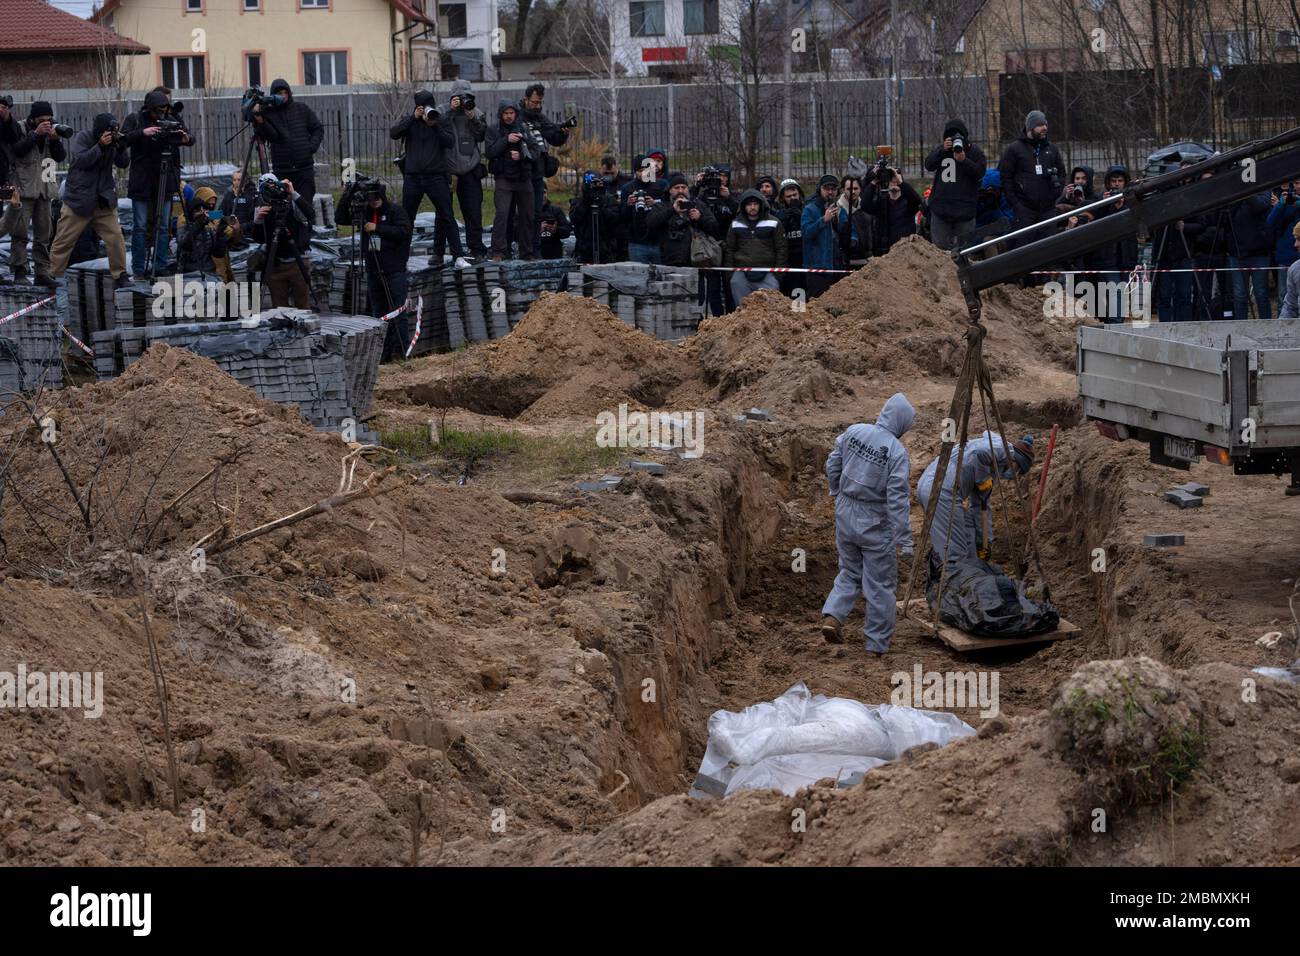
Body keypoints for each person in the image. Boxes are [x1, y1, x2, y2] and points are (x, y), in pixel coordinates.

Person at [820, 393, 916, 656]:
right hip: (873, 520)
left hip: (845, 510)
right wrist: (904, 541)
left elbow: (833, 462)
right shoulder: (896, 453)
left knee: (850, 570)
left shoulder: (855, 430)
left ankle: (833, 616)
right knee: (880, 583)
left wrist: (835, 490)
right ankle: (876, 644)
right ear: (902, 424)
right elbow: (897, 501)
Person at [916, 432, 1033, 571]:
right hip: (942, 489)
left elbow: (981, 505)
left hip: (932, 483)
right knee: (955, 549)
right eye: (1018, 471)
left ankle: (972, 567)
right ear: (1015, 461)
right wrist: (982, 478)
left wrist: (984, 541)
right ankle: (954, 582)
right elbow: (979, 453)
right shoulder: (1002, 451)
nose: (1014, 476)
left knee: (967, 527)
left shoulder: (993, 463)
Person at [48, 113, 130, 288]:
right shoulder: (84, 137)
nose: (112, 133)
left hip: (103, 199)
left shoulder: (114, 141)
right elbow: (81, 161)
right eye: (109, 130)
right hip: (79, 200)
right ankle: (54, 274)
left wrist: (121, 147)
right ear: (99, 131)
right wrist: (100, 146)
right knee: (64, 239)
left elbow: (123, 164)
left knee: (115, 237)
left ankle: (120, 274)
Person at [391, 90, 470, 267]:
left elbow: (450, 142)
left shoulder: (440, 119)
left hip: (435, 176)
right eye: (422, 106)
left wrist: (434, 124)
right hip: (413, 178)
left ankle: (458, 256)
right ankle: (400, 257)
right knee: (407, 219)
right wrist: (413, 117)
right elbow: (394, 133)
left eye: (428, 105)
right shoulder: (410, 120)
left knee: (447, 216)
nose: (427, 109)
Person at [119, 89, 192, 277]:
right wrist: (143, 133)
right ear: (149, 108)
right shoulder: (135, 119)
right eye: (157, 111)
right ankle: (138, 268)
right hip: (142, 180)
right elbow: (122, 140)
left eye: (164, 110)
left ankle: (159, 265)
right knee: (141, 226)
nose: (161, 114)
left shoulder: (172, 118)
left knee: (163, 226)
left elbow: (189, 138)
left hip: (165, 178)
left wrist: (186, 139)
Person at [5, 101, 67, 286]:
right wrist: (35, 134)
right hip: (23, 188)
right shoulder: (20, 128)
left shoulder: (52, 131)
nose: (47, 123)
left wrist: (55, 139)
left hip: (45, 189)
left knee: (44, 234)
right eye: (42, 120)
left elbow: (60, 157)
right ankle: (20, 271)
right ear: (33, 119)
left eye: (49, 120)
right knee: (20, 232)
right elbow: (16, 150)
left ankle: (42, 271)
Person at [357, 182, 413, 360]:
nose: (374, 202)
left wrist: (378, 229)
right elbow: (340, 217)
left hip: (394, 269)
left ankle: (401, 351)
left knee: (398, 312)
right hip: (373, 270)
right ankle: (382, 353)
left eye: (376, 198)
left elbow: (404, 232)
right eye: (370, 199)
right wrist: (350, 192)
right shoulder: (364, 212)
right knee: (378, 315)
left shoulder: (395, 211)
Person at [998, 110, 1067, 247]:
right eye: (1040, 125)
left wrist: (1055, 194)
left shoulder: (1052, 149)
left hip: (1047, 209)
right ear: (1030, 127)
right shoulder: (1014, 149)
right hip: (1024, 210)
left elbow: (1062, 173)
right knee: (1025, 247)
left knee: (1048, 247)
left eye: (1045, 124)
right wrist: (1016, 203)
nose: (1045, 128)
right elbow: (1005, 177)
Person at [251, 78, 323, 204]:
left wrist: (310, 147)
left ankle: (307, 224)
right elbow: (272, 136)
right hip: (282, 171)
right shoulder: (269, 112)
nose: (283, 96)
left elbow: (317, 128)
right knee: (283, 208)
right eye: (279, 93)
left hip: (304, 169)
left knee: (305, 207)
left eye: (285, 92)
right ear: (273, 95)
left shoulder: (302, 109)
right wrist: (260, 120)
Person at [518, 83, 571, 249]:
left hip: (538, 173)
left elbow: (553, 138)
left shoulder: (540, 118)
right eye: (534, 102)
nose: (537, 106)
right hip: (520, 173)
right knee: (522, 214)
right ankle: (523, 248)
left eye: (540, 103)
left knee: (536, 213)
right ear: (525, 100)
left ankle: (534, 249)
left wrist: (563, 132)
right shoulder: (516, 117)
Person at [250, 173, 315, 309]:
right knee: (279, 309)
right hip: (275, 264)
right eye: (266, 189)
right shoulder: (263, 209)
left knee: (302, 306)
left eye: (274, 187)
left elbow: (310, 214)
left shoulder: (291, 203)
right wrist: (258, 221)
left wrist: (293, 192)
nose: (271, 192)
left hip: (297, 262)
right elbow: (259, 239)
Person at [924, 119, 987, 251]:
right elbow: (929, 165)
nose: (955, 140)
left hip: (965, 210)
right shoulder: (942, 151)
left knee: (964, 251)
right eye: (951, 137)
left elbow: (980, 172)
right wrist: (942, 149)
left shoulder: (975, 152)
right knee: (940, 251)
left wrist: (964, 160)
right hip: (941, 208)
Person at [1089, 165, 1141, 322]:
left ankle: (1117, 322)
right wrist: (1108, 205)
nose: (1116, 184)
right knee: (1114, 291)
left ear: (1125, 182)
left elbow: (1135, 221)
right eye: (1113, 181)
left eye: (1120, 181)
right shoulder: (1099, 200)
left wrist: (1122, 206)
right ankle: (1115, 325)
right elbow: (1099, 224)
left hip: (1126, 257)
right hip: (1107, 258)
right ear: (1108, 182)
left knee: (1123, 293)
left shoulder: (1132, 200)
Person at [444, 79, 488, 259]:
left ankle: (476, 249)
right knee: (444, 215)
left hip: (470, 170)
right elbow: (436, 127)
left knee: (473, 213)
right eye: (459, 98)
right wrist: (450, 110)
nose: (463, 102)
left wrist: (473, 119)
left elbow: (481, 136)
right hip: (449, 170)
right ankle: (448, 251)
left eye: (466, 98)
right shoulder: (443, 111)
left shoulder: (476, 113)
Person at [485, 100, 535, 261]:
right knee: (502, 214)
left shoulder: (524, 129)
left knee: (527, 216)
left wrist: (522, 155)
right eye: (506, 113)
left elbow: (536, 150)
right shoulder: (493, 130)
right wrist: (506, 139)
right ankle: (498, 252)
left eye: (511, 113)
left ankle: (527, 253)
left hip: (523, 178)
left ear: (516, 114)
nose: (508, 116)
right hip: (503, 178)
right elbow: (490, 152)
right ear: (501, 114)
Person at [724, 188, 786, 306]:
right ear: (743, 206)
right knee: (742, 310)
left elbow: (781, 249)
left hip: (768, 273)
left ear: (761, 204)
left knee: (771, 311)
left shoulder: (774, 223)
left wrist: (778, 275)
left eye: (755, 204)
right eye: (749, 204)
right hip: (741, 274)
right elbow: (729, 249)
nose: (752, 207)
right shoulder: (735, 224)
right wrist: (730, 275)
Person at [644, 172, 717, 267]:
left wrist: (700, 218)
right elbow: (650, 223)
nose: (680, 191)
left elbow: (715, 228)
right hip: (668, 260)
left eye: (683, 187)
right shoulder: (662, 206)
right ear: (670, 190)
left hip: (696, 259)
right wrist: (672, 210)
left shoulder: (698, 204)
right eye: (676, 188)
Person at [1227, 187, 1273, 320]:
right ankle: (1240, 327)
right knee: (1240, 295)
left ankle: (1266, 325)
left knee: (1261, 294)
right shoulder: (1232, 190)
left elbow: (1260, 206)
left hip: (1259, 251)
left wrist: (1245, 192)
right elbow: (1228, 212)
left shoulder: (1264, 188)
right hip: (1237, 251)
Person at [570, 161, 627, 263]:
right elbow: (575, 219)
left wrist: (601, 202)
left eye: (596, 183)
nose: (594, 186)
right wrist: (586, 199)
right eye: (591, 184)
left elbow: (615, 220)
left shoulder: (609, 200)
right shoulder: (579, 201)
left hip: (606, 249)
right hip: (584, 250)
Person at [177, 187, 237, 281]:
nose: (210, 207)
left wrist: (224, 231)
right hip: (191, 271)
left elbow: (226, 223)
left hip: (212, 266)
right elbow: (184, 242)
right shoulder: (185, 218)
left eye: (213, 205)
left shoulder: (212, 214)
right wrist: (200, 223)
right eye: (208, 204)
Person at [865, 165, 922, 255]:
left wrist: (901, 183)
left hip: (905, 251)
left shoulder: (908, 201)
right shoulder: (881, 201)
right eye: (891, 178)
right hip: (884, 251)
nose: (894, 181)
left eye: (896, 178)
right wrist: (874, 182)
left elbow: (917, 201)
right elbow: (865, 205)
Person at [802, 175, 841, 297]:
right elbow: (806, 233)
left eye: (833, 189)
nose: (830, 192)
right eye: (826, 188)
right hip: (817, 267)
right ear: (820, 189)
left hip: (836, 266)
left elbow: (846, 230)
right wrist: (823, 220)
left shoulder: (839, 209)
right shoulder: (809, 209)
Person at [776, 178, 805, 296]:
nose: (793, 198)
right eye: (789, 196)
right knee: (791, 295)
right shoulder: (779, 215)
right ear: (783, 198)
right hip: (788, 261)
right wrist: (786, 219)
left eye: (795, 195)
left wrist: (800, 216)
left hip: (805, 258)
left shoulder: (807, 211)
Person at [835, 175, 871, 269]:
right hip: (846, 263)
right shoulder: (836, 210)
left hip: (868, 260)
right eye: (849, 189)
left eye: (856, 188)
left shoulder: (866, 206)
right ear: (843, 190)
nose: (853, 192)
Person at [219, 169, 258, 246]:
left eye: (239, 180)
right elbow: (220, 212)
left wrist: (241, 227)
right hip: (231, 235)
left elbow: (256, 220)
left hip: (249, 236)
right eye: (234, 180)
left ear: (245, 181)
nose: (236, 182)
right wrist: (209, 215)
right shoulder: (229, 195)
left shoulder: (253, 195)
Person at [537, 189, 572, 259]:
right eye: (539, 192)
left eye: (544, 192)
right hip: (534, 253)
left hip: (554, 253)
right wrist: (538, 230)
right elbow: (517, 235)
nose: (542, 196)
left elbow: (567, 231)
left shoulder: (556, 210)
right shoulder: (527, 212)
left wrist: (556, 230)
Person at [1279, 222, 1300, 318]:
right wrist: (1280, 329)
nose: (1295, 245)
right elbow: (1290, 306)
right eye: (1296, 240)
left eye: (1299, 239)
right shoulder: (1295, 268)